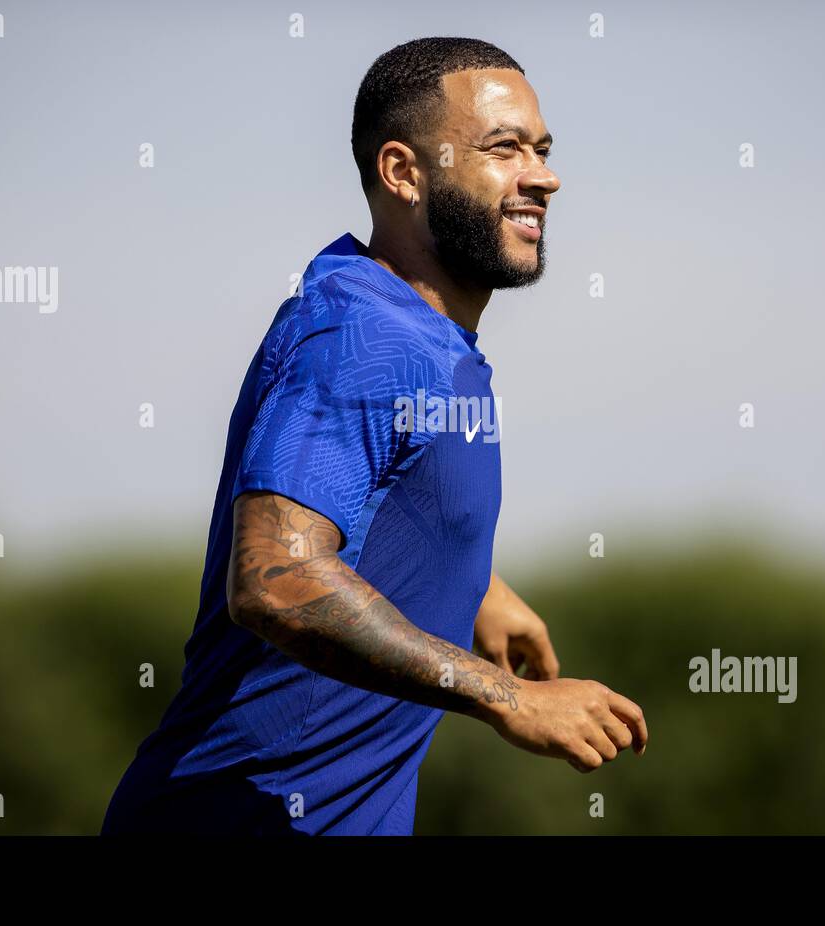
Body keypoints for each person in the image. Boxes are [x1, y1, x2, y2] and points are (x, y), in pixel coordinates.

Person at [101, 36, 647, 836]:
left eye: (542, 149)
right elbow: (277, 577)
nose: (543, 175)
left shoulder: (423, 335)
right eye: (503, 149)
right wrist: (510, 699)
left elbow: (373, 490)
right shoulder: (363, 338)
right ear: (403, 173)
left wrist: (471, 588)